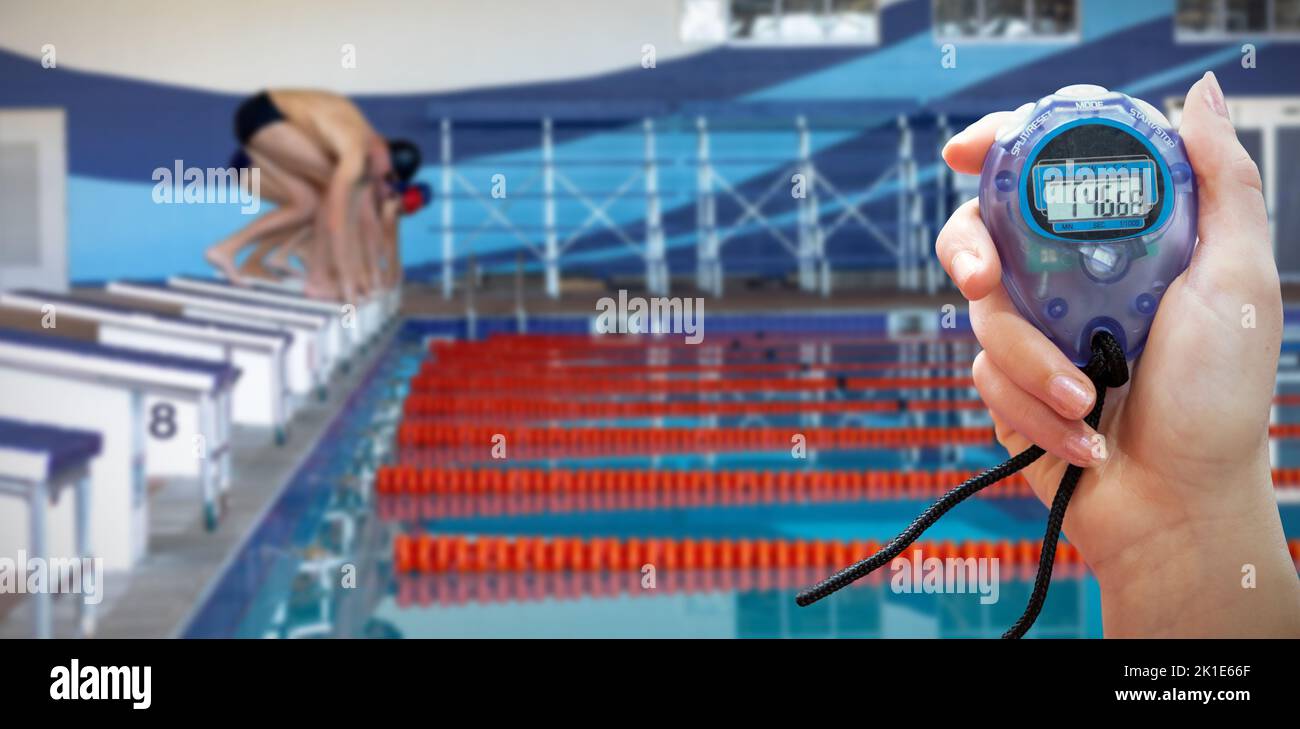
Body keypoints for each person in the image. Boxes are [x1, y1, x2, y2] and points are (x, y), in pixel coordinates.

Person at [935, 72, 1300, 637]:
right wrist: (1168, 551)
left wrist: (1203, 510)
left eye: (1113, 192)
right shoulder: (1143, 153)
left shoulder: (1033, 159)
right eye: (1073, 194)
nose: (1096, 217)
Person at [205, 90, 421, 301]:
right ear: (385, 153)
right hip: (267, 116)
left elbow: (355, 218)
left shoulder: (366, 157)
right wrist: (348, 279)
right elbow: (339, 221)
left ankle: (225, 249)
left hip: (263, 119)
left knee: (308, 205)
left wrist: (359, 276)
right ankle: (317, 280)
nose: (384, 183)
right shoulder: (357, 150)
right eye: (388, 177)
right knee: (331, 192)